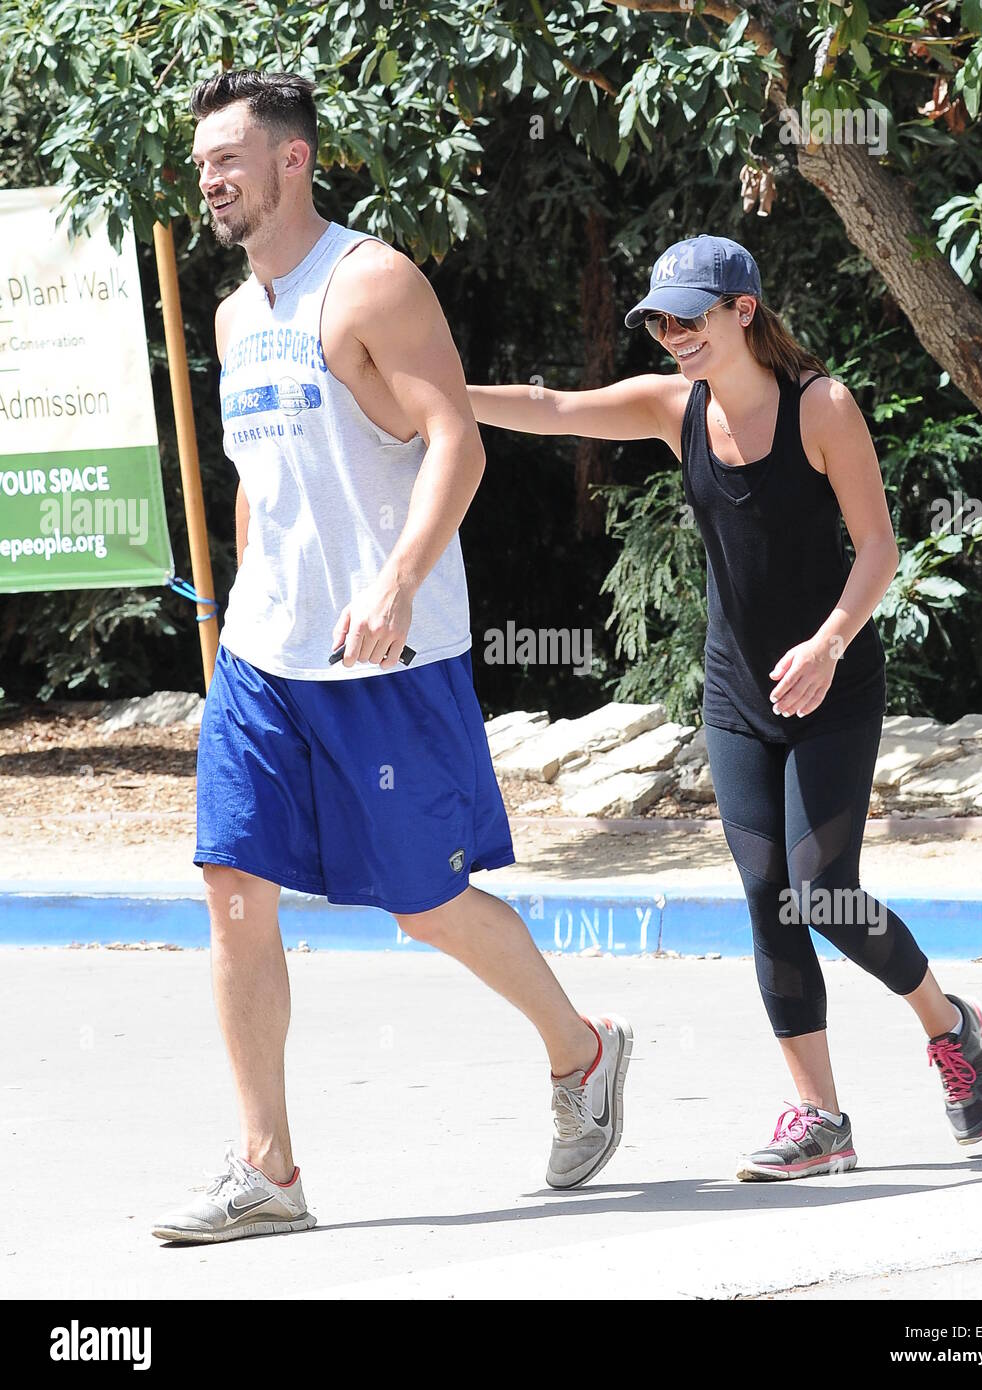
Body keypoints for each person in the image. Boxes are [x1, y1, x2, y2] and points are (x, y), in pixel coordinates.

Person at [151, 70, 632, 1244]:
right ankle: (270, 1170)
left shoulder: (368, 282)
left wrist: (397, 579)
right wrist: (231, 635)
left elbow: (455, 442)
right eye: (204, 162)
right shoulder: (230, 315)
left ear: (292, 162)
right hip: (266, 662)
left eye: (229, 158)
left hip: (389, 655)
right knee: (231, 889)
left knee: (424, 901)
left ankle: (581, 1053)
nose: (211, 178)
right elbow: (260, 489)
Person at [468, 234, 982, 1181]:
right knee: (767, 898)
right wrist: (431, 395)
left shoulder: (821, 407)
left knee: (822, 892)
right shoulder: (674, 406)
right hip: (734, 693)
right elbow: (551, 409)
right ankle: (819, 1117)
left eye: (689, 317)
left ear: (742, 311)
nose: (672, 335)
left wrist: (829, 643)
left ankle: (947, 1023)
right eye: (661, 321)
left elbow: (877, 549)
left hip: (833, 684)